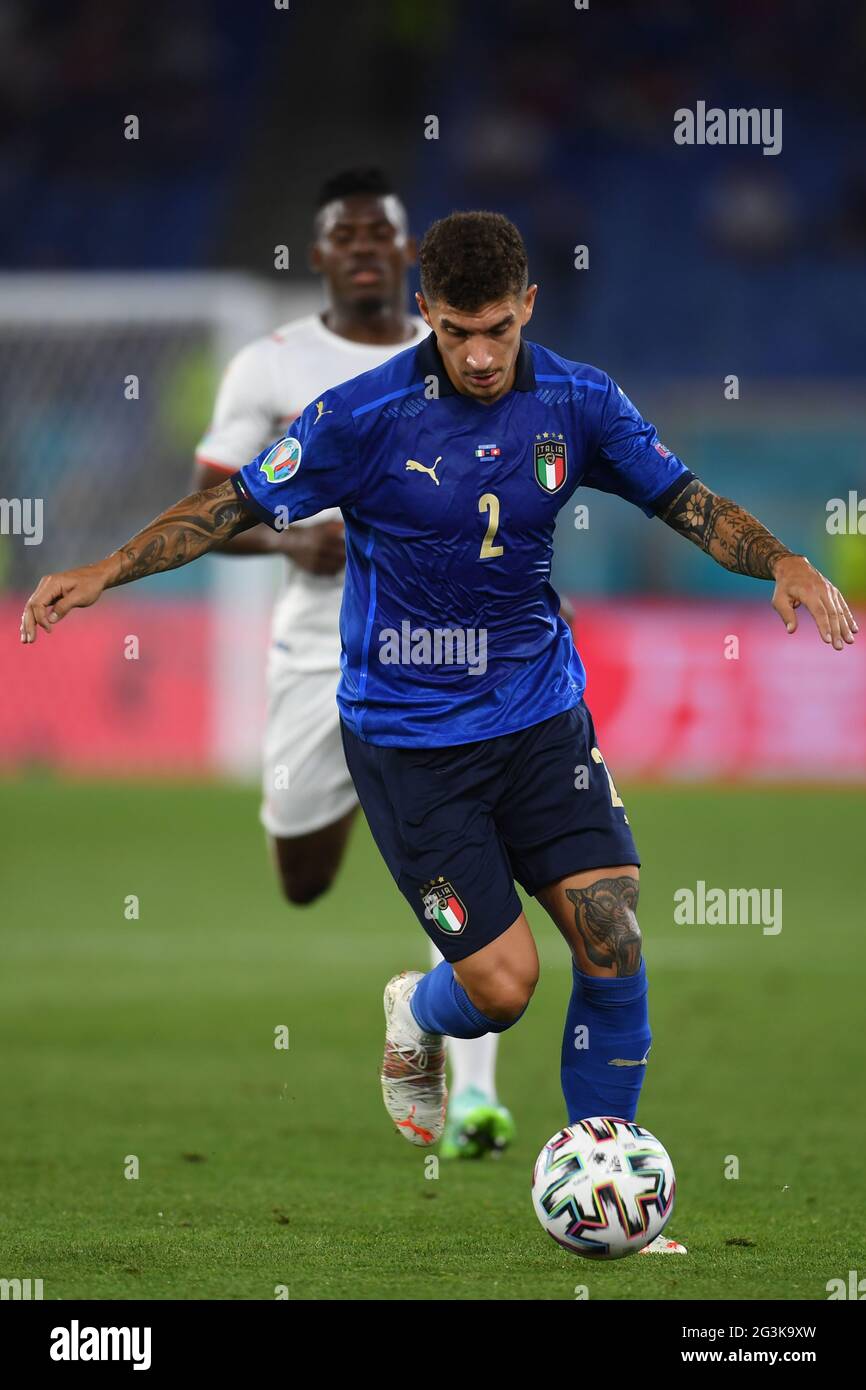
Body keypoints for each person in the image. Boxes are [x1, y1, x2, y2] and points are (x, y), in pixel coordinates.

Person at [21, 211, 857, 1254]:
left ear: (527, 310)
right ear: (423, 309)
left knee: (612, 932)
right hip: (411, 740)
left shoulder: (577, 400)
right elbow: (231, 505)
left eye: (497, 329)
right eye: (457, 328)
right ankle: (418, 1011)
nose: (477, 353)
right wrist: (106, 567)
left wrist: (779, 559)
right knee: (502, 988)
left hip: (539, 712)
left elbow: (684, 500)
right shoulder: (360, 418)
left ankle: (611, 1187)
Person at [200, 168, 514, 1159]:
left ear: (411, 254)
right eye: (350, 235)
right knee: (302, 872)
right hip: (316, 651)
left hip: (441, 648)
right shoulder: (272, 365)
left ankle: (470, 1094)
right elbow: (210, 513)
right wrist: (295, 543)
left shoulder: (461, 357)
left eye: (385, 233)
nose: (368, 248)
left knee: (460, 854)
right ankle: (362, 808)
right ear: (320, 253)